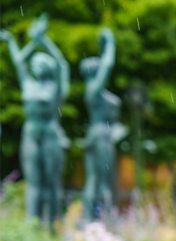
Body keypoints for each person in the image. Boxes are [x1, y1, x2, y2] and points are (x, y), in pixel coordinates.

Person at [0, 15, 69, 228]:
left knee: (51, 182)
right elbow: (19, 61)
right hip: (31, 133)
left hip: (50, 133)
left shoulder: (55, 89)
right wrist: (19, 42)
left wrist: (42, 40)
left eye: (40, 63)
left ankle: (52, 226)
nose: (36, 66)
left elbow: (61, 63)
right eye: (35, 63)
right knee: (34, 183)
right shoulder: (27, 84)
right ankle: (32, 227)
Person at [81, 28, 124, 221]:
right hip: (101, 135)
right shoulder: (94, 89)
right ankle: (104, 219)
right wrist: (110, 44)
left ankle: (91, 218)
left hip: (95, 135)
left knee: (95, 179)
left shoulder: (93, 90)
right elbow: (108, 64)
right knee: (104, 180)